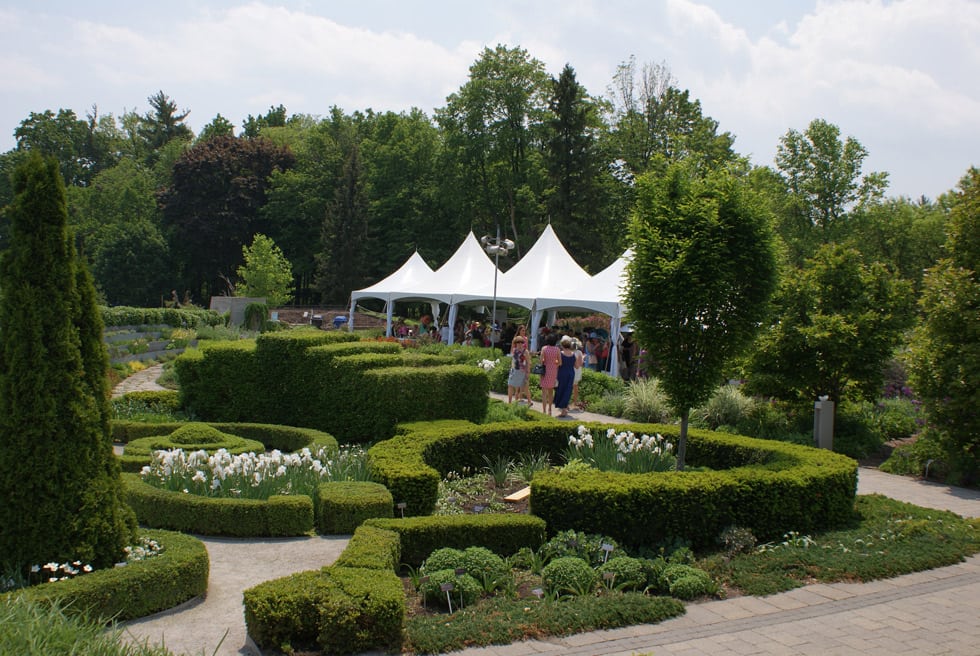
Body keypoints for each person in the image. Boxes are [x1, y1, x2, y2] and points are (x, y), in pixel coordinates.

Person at [554, 336, 577, 418]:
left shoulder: (561, 353)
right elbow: (576, 366)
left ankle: (563, 409)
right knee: (568, 390)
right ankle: (565, 407)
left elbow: (558, 363)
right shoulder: (573, 354)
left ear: (562, 346)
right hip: (571, 373)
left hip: (562, 372)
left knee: (561, 389)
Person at [538, 333, 560, 416]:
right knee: (551, 391)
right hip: (553, 370)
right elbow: (560, 362)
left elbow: (541, 361)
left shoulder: (544, 348)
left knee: (544, 392)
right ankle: (550, 410)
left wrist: (545, 361)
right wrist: (554, 364)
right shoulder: (557, 349)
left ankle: (544, 411)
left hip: (545, 370)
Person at [507, 335, 531, 406]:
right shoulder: (514, 350)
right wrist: (514, 340)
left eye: (521, 342)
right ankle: (509, 402)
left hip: (522, 372)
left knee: (525, 388)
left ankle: (529, 401)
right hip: (514, 371)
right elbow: (512, 343)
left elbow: (528, 362)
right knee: (510, 385)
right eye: (518, 342)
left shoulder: (525, 351)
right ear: (516, 343)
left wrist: (528, 372)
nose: (520, 344)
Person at [571, 337, 585, 409]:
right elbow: (580, 364)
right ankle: (575, 402)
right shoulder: (579, 352)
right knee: (575, 387)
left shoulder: (567, 351)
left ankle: (566, 403)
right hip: (577, 371)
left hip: (570, 370)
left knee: (568, 387)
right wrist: (583, 358)